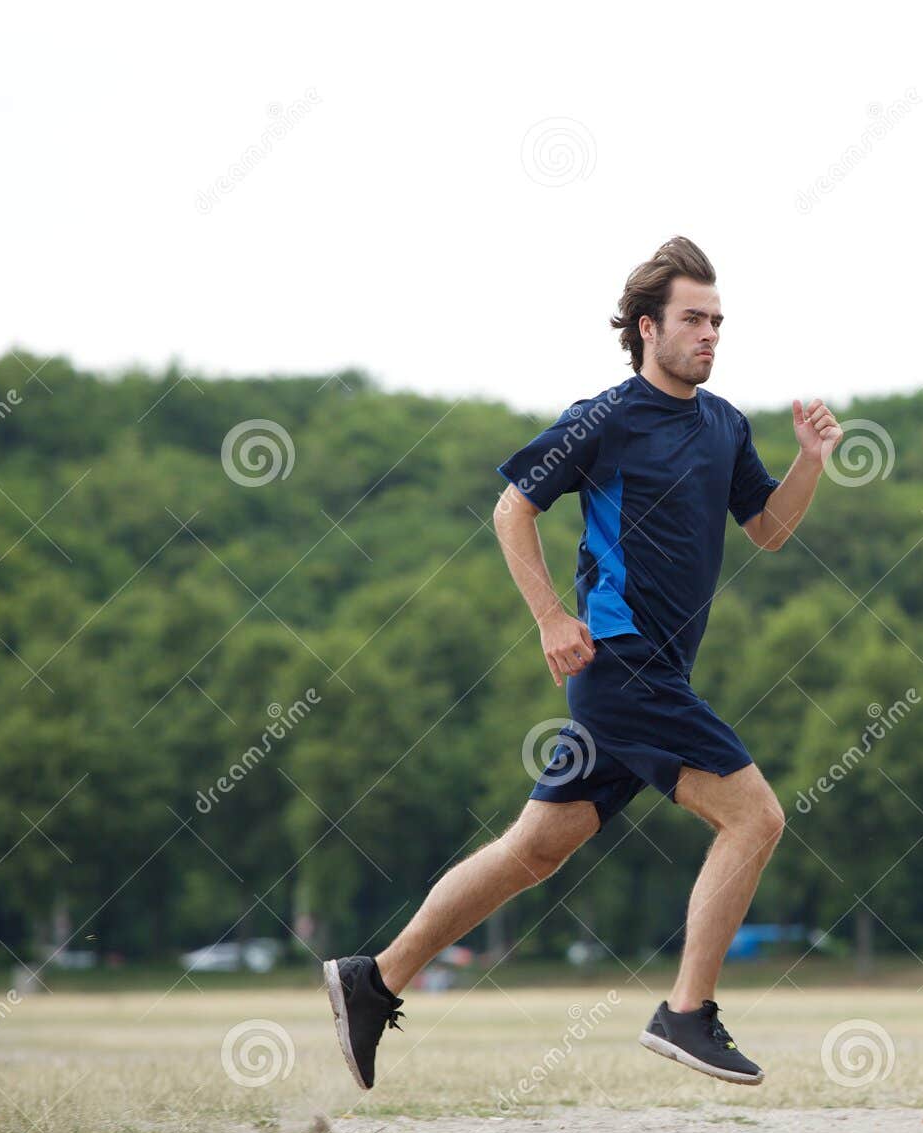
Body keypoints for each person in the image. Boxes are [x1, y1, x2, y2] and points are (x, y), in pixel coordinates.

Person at [324, 236, 840, 1090]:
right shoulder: (605, 418)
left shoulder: (725, 426)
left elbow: (770, 528)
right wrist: (550, 617)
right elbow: (511, 509)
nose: (710, 334)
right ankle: (686, 1012)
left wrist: (810, 464)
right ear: (647, 328)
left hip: (655, 679)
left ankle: (372, 979)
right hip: (623, 666)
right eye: (693, 319)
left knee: (535, 850)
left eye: (718, 321)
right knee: (755, 817)